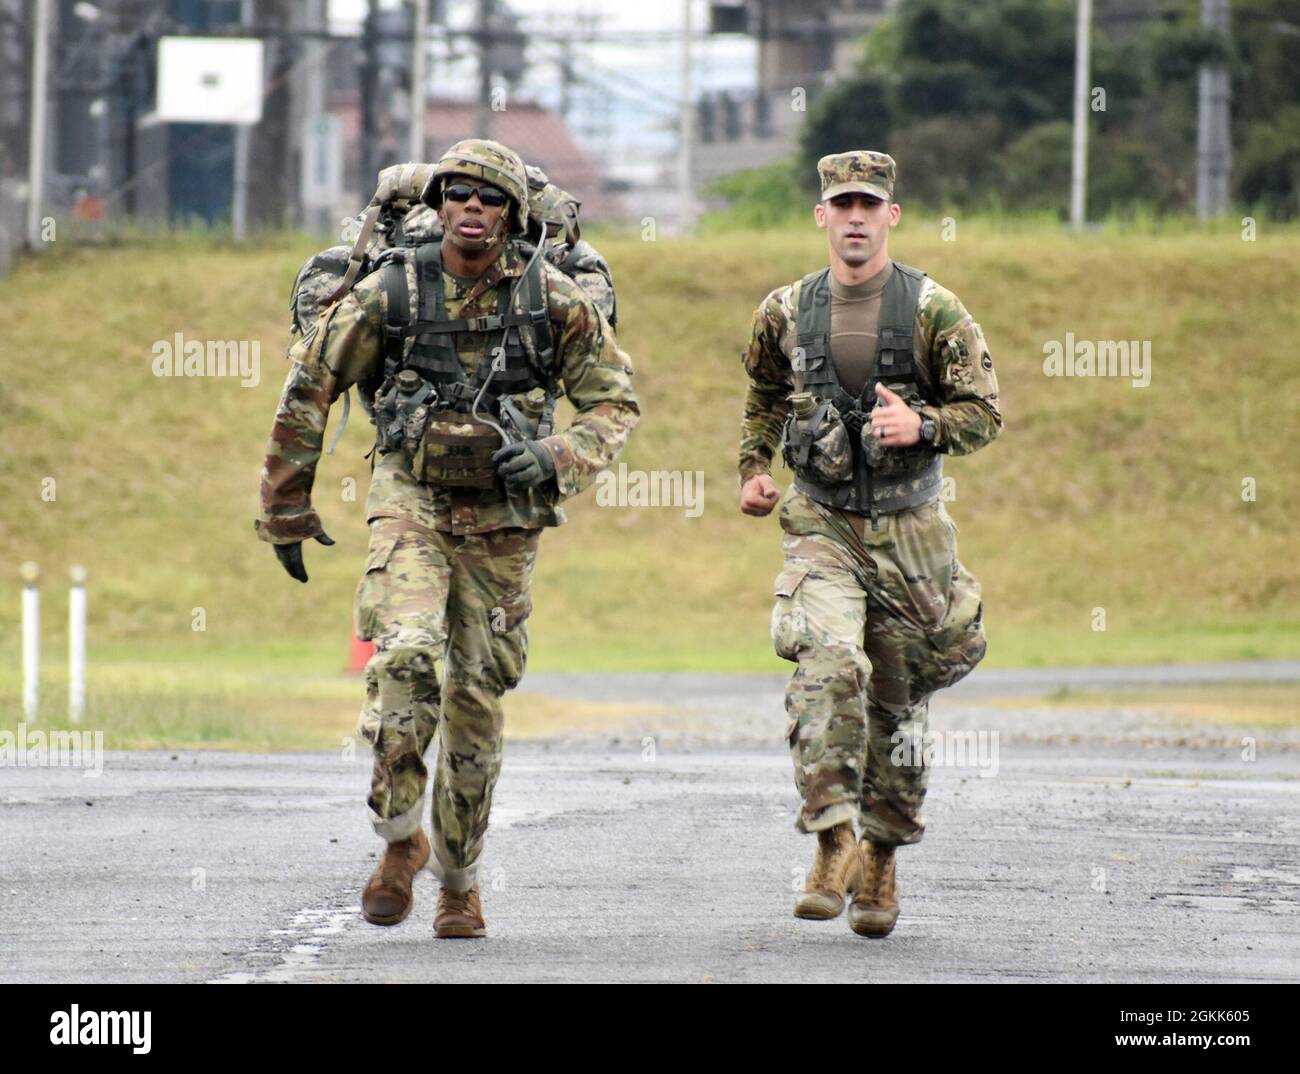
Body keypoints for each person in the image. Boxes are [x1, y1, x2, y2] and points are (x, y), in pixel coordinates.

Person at [254, 139, 639, 939]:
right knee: (403, 654)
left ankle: (459, 882)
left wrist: (554, 455)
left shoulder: (553, 298)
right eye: (457, 193)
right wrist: (286, 505)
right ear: (437, 204)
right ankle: (399, 839)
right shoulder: (391, 290)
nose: (472, 207)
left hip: (504, 519)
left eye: (490, 197)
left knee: (474, 701)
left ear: (511, 214)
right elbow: (311, 385)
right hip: (412, 500)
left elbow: (614, 404)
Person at [737, 150, 1002, 937]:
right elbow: (763, 394)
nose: (855, 216)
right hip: (820, 525)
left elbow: (985, 414)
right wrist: (754, 468)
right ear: (821, 216)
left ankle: (881, 858)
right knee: (829, 661)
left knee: (897, 705)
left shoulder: (934, 310)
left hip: (911, 533)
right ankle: (832, 835)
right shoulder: (784, 311)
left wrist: (922, 424)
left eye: (870, 204)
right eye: (842, 203)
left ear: (891, 216)